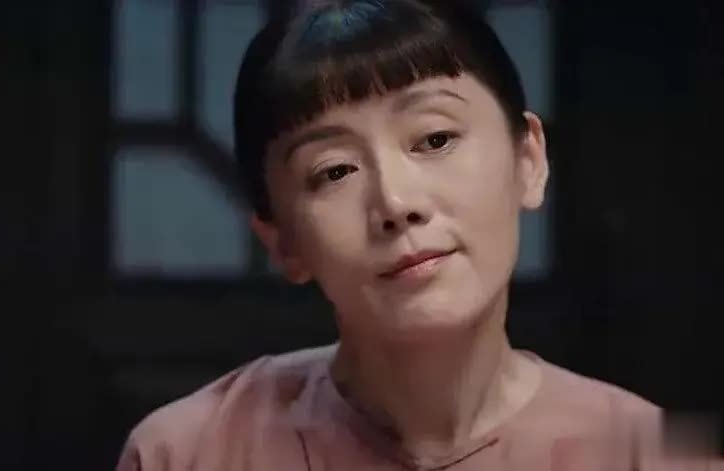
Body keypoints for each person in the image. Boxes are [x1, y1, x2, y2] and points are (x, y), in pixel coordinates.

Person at [116, 1, 721, 469]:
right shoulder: (188, 452)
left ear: (528, 160)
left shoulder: (654, 454)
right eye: (334, 171)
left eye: (435, 139)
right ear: (282, 242)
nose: (396, 203)